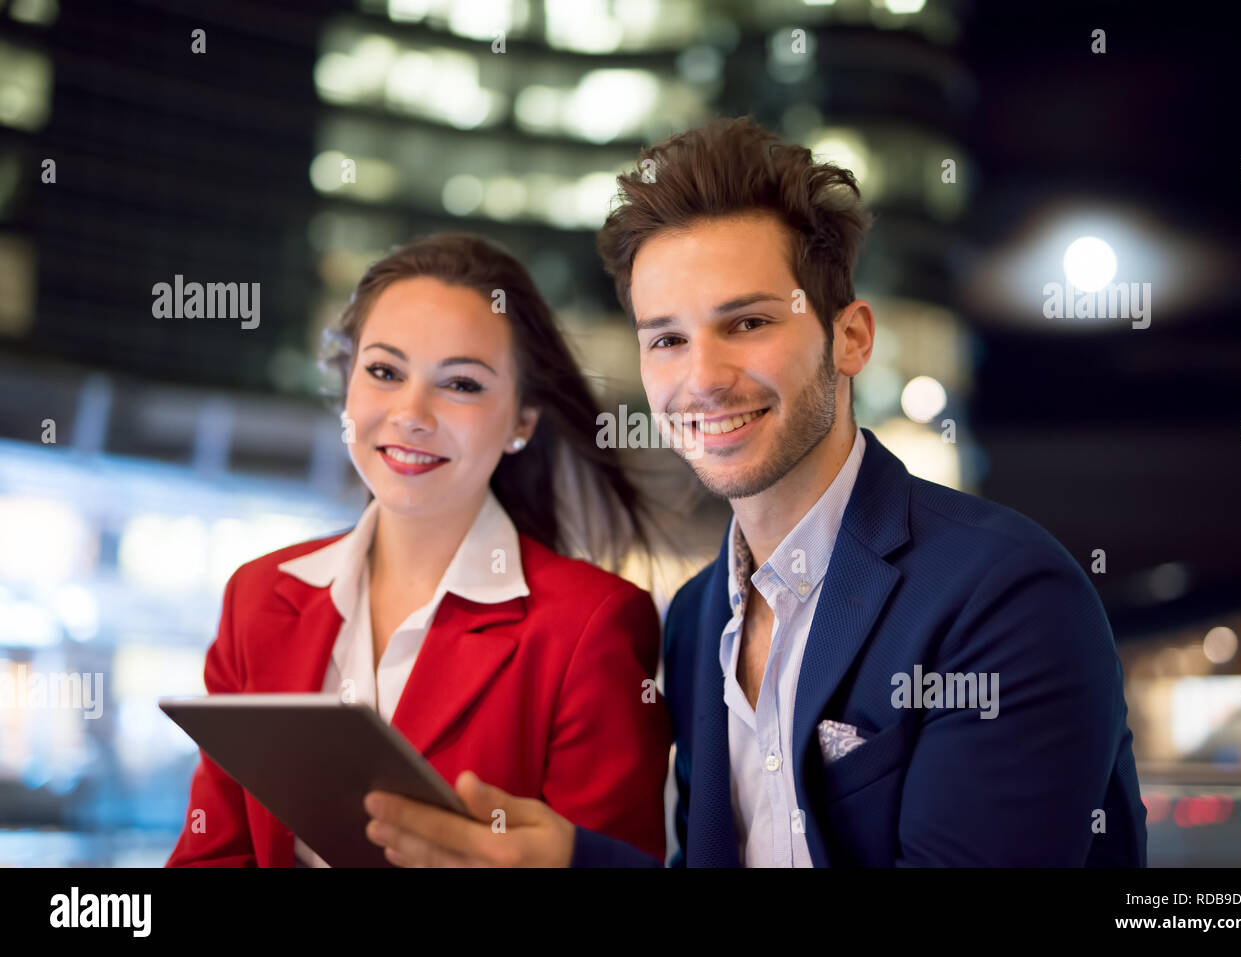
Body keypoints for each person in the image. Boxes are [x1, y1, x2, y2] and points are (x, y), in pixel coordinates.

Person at [359, 117, 1148, 868]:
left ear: (851, 336)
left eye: (745, 324)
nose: (701, 378)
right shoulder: (700, 620)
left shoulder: (1003, 595)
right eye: (666, 339)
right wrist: (570, 857)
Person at [165, 233, 670, 867]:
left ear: (522, 421)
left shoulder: (588, 627)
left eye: (460, 384)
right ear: (347, 385)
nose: (411, 413)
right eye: (384, 372)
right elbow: (213, 856)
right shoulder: (259, 597)